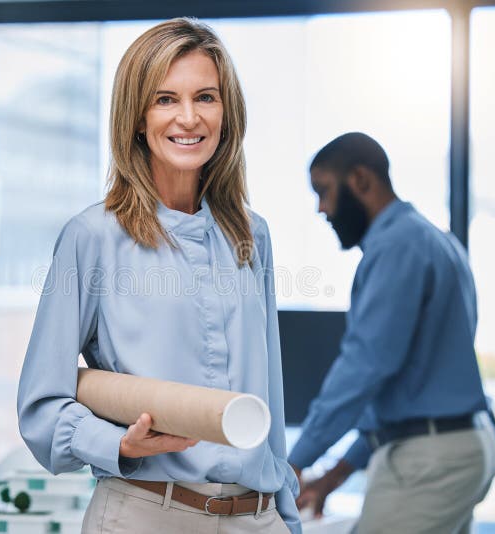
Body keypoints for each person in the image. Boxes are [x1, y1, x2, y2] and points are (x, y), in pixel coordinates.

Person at [17, 18, 299, 534]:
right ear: (137, 118)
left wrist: (286, 516)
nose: (188, 118)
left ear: (226, 113)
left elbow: (270, 400)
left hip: (255, 517)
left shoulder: (252, 235)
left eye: (206, 97)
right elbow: (41, 404)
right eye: (166, 99)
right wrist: (117, 444)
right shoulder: (92, 237)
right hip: (147, 513)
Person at [288, 132, 495, 533]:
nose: (321, 208)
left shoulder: (396, 246)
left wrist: (292, 462)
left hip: (429, 460)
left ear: (361, 180)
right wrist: (331, 478)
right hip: (459, 446)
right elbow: (403, 388)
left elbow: (365, 366)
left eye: (324, 191)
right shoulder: (433, 239)